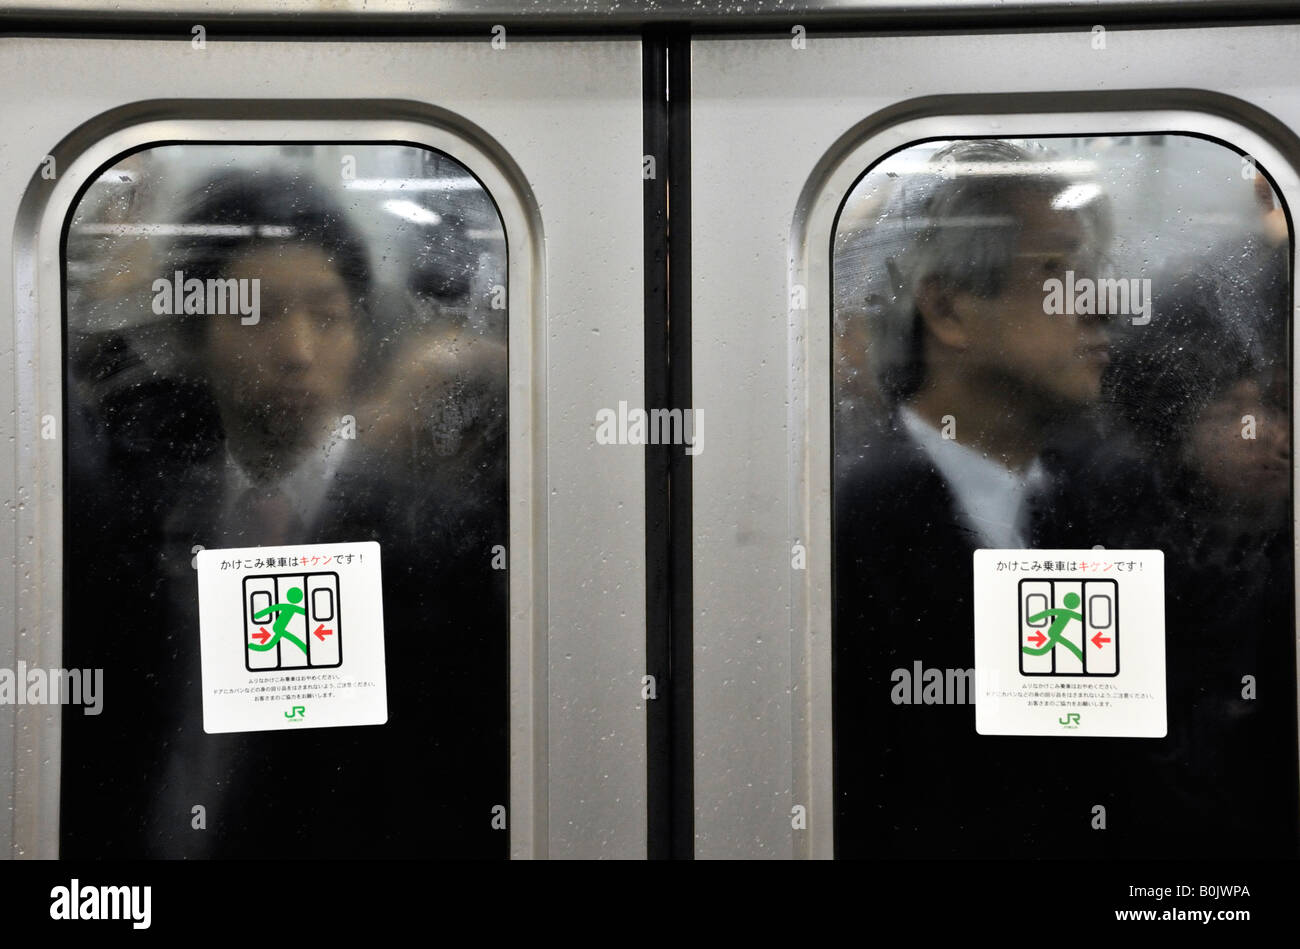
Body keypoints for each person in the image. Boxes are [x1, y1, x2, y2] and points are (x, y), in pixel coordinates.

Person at [61, 168, 508, 858]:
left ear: (360, 334)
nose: (297, 353)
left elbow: (448, 783)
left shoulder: (430, 541)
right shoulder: (135, 508)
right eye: (256, 314)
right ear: (196, 334)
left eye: (326, 317)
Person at [833, 140, 1157, 857]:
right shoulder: (848, 526)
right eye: (1056, 271)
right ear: (947, 307)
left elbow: (1121, 763)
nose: (1098, 302)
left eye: (1092, 273)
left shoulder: (1106, 501)